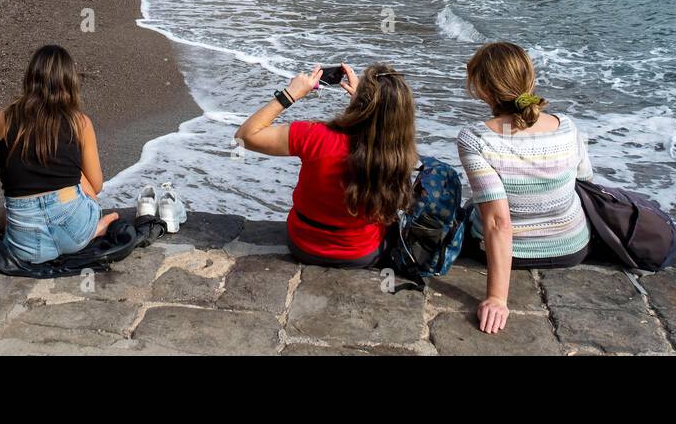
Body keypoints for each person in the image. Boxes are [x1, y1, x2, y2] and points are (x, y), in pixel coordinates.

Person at [456, 42, 594, 335]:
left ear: (483, 89)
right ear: (529, 80)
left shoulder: (476, 138)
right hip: (572, 246)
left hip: (514, 253)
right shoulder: (566, 126)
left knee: (469, 209)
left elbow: (497, 221)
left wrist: (497, 298)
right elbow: (585, 180)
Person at [234, 63, 417, 268]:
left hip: (303, 246)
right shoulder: (396, 151)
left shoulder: (314, 135)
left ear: (362, 99)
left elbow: (245, 136)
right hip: (361, 254)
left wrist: (290, 94)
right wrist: (367, 106)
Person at [0, 45, 119, 265]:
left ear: (30, 78)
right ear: (69, 81)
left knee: (5, 215)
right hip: (75, 233)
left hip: (25, 246)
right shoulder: (79, 122)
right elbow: (96, 186)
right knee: (81, 181)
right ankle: (94, 230)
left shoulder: (3, 119)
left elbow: (5, 174)